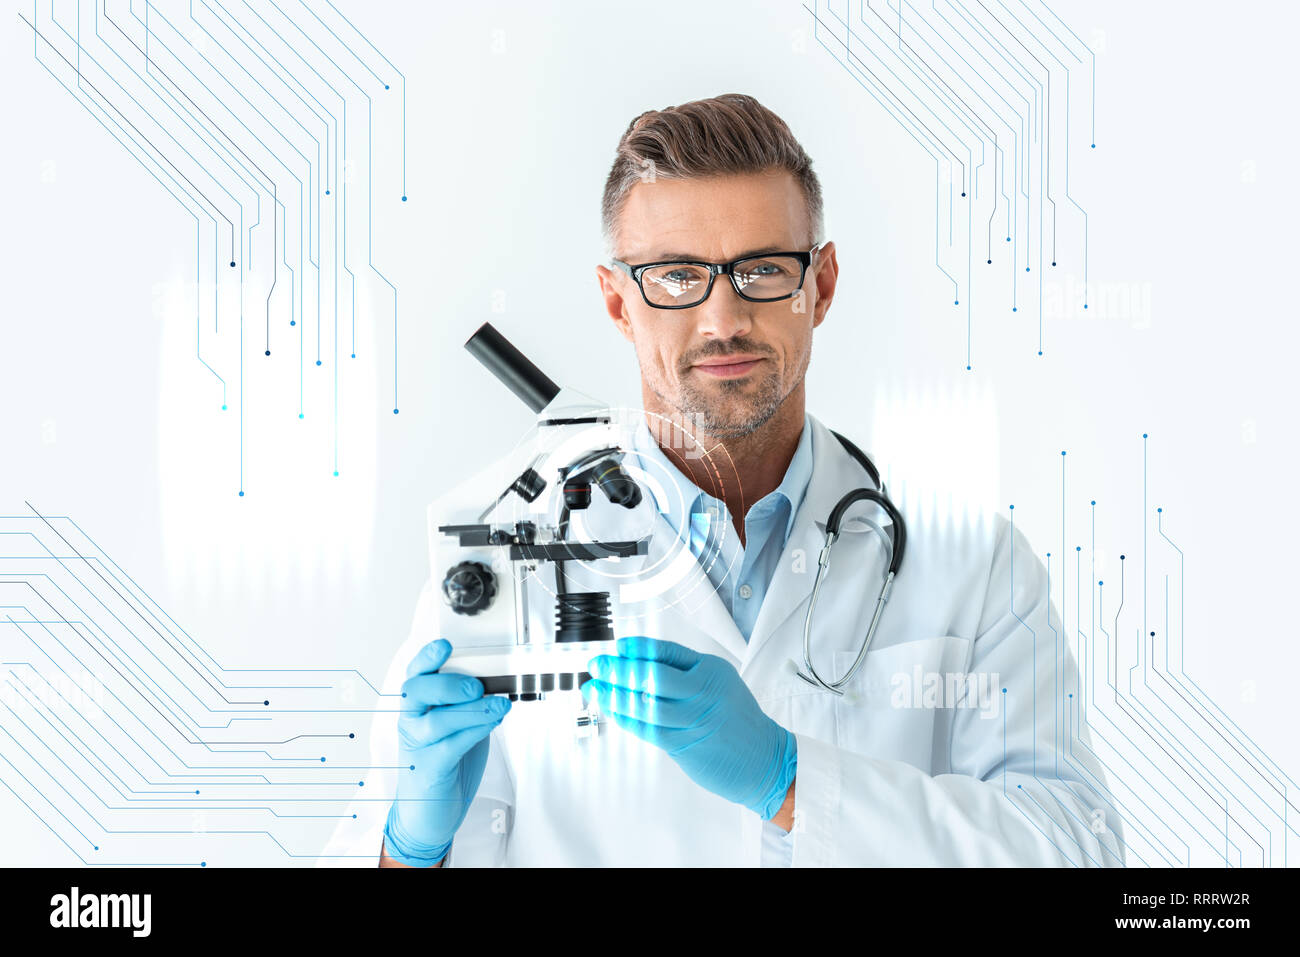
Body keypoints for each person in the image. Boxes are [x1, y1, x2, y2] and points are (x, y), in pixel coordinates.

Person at [324, 93, 1123, 867]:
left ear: (823, 286)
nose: (722, 319)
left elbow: (1073, 851)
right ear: (617, 302)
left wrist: (792, 779)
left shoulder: (972, 566)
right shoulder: (498, 554)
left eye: (763, 269)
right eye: (675, 276)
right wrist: (409, 844)